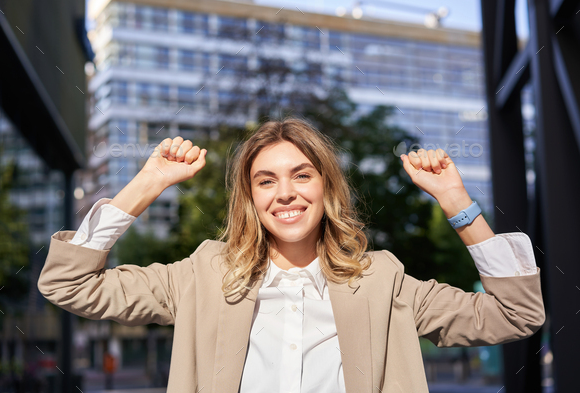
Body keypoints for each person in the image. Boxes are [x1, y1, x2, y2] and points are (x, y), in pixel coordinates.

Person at [37, 118, 544, 392]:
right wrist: (146, 184)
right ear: (251, 199)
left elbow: (516, 314)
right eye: (266, 180)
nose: (285, 193)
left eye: (302, 175)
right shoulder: (204, 275)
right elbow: (68, 284)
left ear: (326, 188)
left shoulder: (382, 280)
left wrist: (456, 201)